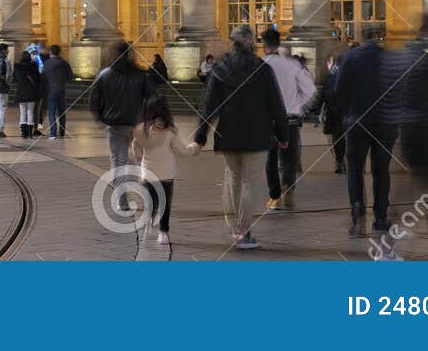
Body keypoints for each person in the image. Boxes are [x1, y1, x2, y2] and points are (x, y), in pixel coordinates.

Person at [195, 26, 287, 251]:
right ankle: (245, 232)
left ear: (232, 43)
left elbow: (209, 106)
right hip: (256, 135)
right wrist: (283, 135)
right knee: (250, 183)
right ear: (250, 43)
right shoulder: (262, 69)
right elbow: (276, 105)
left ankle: (235, 228)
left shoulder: (219, 69)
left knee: (233, 180)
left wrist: (200, 135)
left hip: (228, 134)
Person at [325, 27, 392, 238]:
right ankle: (380, 217)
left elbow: (339, 90)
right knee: (382, 170)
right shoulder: (389, 58)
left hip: (356, 121)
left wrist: (347, 113)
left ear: (362, 38)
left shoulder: (348, 57)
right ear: (379, 37)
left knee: (355, 169)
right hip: (384, 122)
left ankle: (357, 208)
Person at [128, 94, 199, 246]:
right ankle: (163, 233)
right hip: (167, 174)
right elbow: (183, 151)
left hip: (148, 173)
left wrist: (140, 160)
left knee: (151, 200)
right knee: (165, 203)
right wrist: (194, 147)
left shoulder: (141, 130)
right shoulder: (169, 132)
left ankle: (148, 222)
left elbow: (136, 150)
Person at [262, 28, 316, 210]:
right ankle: (289, 191)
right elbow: (310, 89)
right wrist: (297, 105)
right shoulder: (292, 64)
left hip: (268, 120)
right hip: (290, 118)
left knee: (270, 159)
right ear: (278, 43)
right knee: (289, 160)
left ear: (264, 45)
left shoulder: (261, 64)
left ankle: (274, 196)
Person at [88, 40, 153, 173]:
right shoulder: (140, 75)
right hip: (135, 122)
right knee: (140, 157)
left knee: (117, 158)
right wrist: (147, 118)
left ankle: (120, 192)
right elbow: (152, 97)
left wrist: (100, 117)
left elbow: (94, 99)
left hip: (113, 123)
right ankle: (144, 185)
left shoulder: (104, 74)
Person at [42, 44, 73, 140]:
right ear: (59, 52)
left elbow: (43, 76)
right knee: (62, 112)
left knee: (51, 112)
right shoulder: (65, 63)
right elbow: (70, 77)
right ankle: (62, 132)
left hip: (50, 90)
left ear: (50, 52)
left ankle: (53, 133)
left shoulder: (47, 63)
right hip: (61, 90)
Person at [15, 46, 43, 138]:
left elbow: (15, 79)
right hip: (31, 92)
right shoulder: (34, 66)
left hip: (21, 92)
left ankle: (23, 133)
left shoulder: (17, 67)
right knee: (30, 112)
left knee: (22, 112)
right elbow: (38, 79)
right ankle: (30, 133)